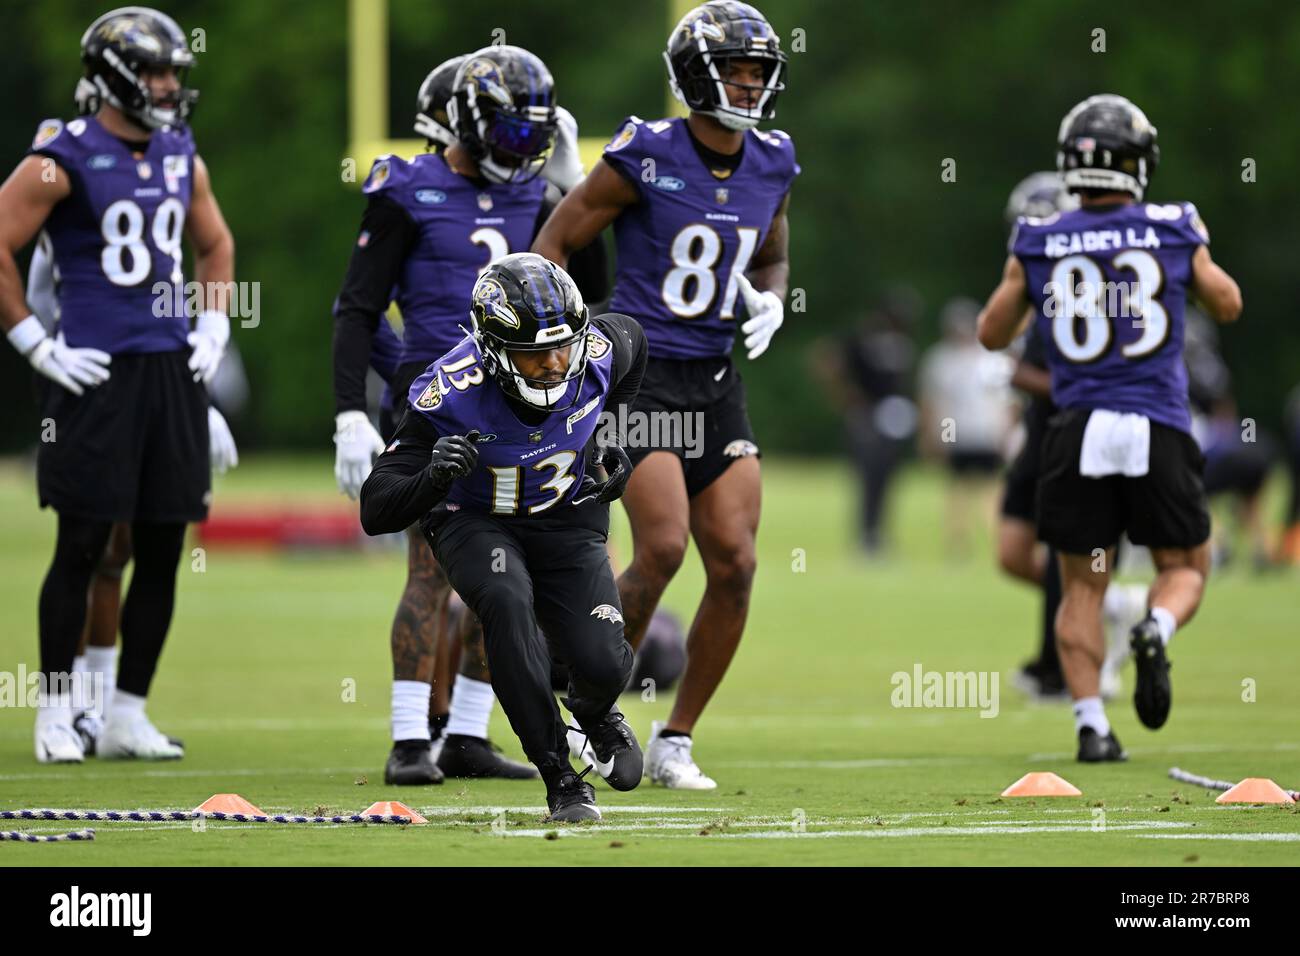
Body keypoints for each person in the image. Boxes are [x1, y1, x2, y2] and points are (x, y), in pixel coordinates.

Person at [533, 0, 797, 789]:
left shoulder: (775, 159)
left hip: (715, 379)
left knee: (739, 560)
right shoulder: (645, 152)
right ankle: (592, 700)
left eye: (759, 72)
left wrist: (771, 296)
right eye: (735, 71)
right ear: (694, 77)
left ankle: (676, 737)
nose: (750, 86)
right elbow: (556, 241)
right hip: (639, 370)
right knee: (662, 546)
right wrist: (560, 338)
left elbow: (772, 252)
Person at [331, 47, 604, 784]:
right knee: (430, 570)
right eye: (512, 134)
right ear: (472, 124)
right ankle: (410, 738)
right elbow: (357, 308)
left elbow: (596, 289)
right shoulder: (406, 188)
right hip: (439, 407)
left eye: (534, 136)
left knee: (506, 573)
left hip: (528, 407)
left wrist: (575, 187)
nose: (524, 151)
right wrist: (352, 412)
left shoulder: (541, 196)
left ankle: (471, 735)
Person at [0, 7, 235, 762]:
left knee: (164, 543)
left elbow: (217, 244)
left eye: (173, 72)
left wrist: (213, 328)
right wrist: (34, 343)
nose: (168, 86)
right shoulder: (60, 156)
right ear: (113, 78)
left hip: (169, 367)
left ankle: (127, 711)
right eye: (156, 72)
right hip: (93, 369)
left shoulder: (178, 153)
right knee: (83, 543)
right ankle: (55, 713)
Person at [977, 94, 1243, 761]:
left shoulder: (1039, 237)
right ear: (1139, 163)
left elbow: (990, 333)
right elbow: (1229, 303)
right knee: (1185, 567)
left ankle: (1091, 726)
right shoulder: (1173, 225)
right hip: (1156, 423)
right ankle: (1154, 624)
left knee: (1081, 584)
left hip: (1076, 428)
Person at [359, 253, 647, 822]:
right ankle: (560, 778)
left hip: (567, 518)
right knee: (507, 602)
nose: (554, 363)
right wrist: (432, 475)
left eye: (562, 347)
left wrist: (610, 434)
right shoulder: (450, 393)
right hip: (476, 520)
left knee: (606, 662)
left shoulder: (598, 353)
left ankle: (593, 710)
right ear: (494, 351)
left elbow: (634, 342)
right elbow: (375, 508)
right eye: (536, 354)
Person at [995, 173, 1144, 702]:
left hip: (1082, 436)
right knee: (1012, 552)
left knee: (1070, 555)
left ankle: (1060, 667)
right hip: (1042, 431)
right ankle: (1105, 610)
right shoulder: (1040, 284)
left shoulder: (1094, 287)